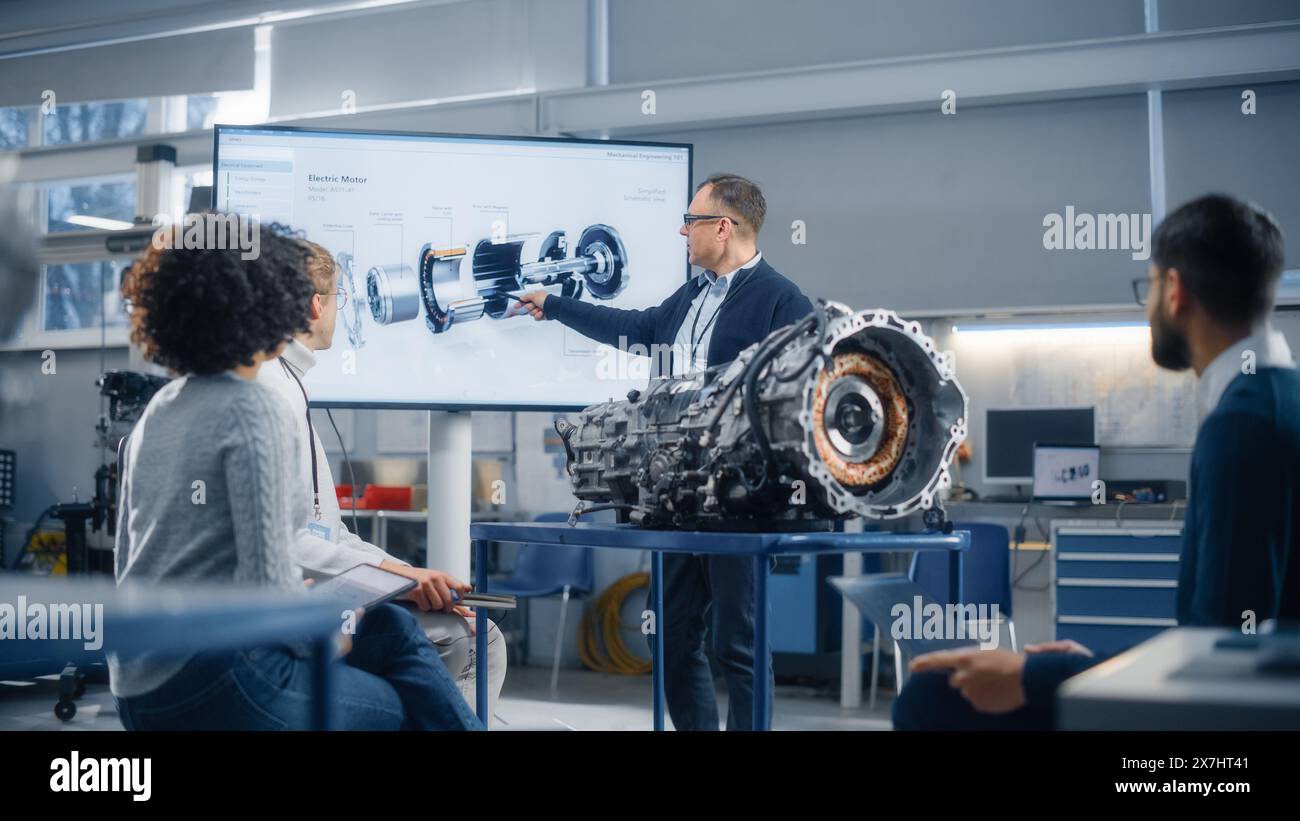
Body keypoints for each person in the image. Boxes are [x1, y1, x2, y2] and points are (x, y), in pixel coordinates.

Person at [894, 193, 1298, 730]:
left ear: (1174, 291)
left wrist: (1038, 677)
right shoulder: (1277, 400)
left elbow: (1218, 660)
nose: (1149, 302)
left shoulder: (1242, 426)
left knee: (932, 697)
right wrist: (1086, 666)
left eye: (1150, 286)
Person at [111, 218, 481, 730]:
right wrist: (332, 634)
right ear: (268, 305)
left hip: (138, 682)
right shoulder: (253, 407)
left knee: (393, 628)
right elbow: (273, 598)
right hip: (217, 679)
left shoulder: (163, 407)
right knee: (393, 706)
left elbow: (130, 562)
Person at [514, 173, 814, 730]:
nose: (684, 230)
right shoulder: (694, 295)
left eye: (692, 221)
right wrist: (554, 305)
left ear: (723, 228)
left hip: (738, 499)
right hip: (676, 493)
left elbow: (794, 400)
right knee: (673, 635)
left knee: (739, 642)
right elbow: (638, 327)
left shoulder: (782, 301)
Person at [257, 239, 506, 713]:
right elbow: (292, 544)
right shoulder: (273, 390)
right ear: (316, 304)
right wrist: (403, 580)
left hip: (303, 604)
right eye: (339, 300)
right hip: (286, 622)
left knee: (465, 628)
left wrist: (407, 575)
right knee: (476, 638)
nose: (337, 313)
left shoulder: (287, 383)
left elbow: (330, 534)